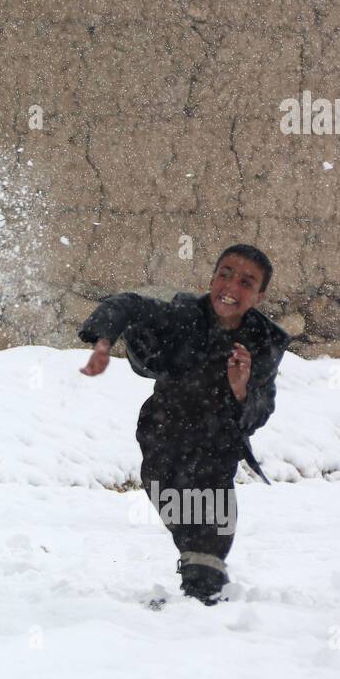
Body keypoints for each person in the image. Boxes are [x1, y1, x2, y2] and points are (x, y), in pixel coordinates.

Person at [78, 244, 291, 604]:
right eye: (224, 274)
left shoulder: (264, 341)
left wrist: (240, 388)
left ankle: (201, 604)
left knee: (211, 533)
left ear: (259, 296)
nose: (230, 286)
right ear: (211, 277)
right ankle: (197, 598)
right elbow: (126, 303)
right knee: (180, 508)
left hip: (218, 443)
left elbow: (260, 410)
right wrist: (103, 343)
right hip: (165, 433)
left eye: (245, 282)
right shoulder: (184, 315)